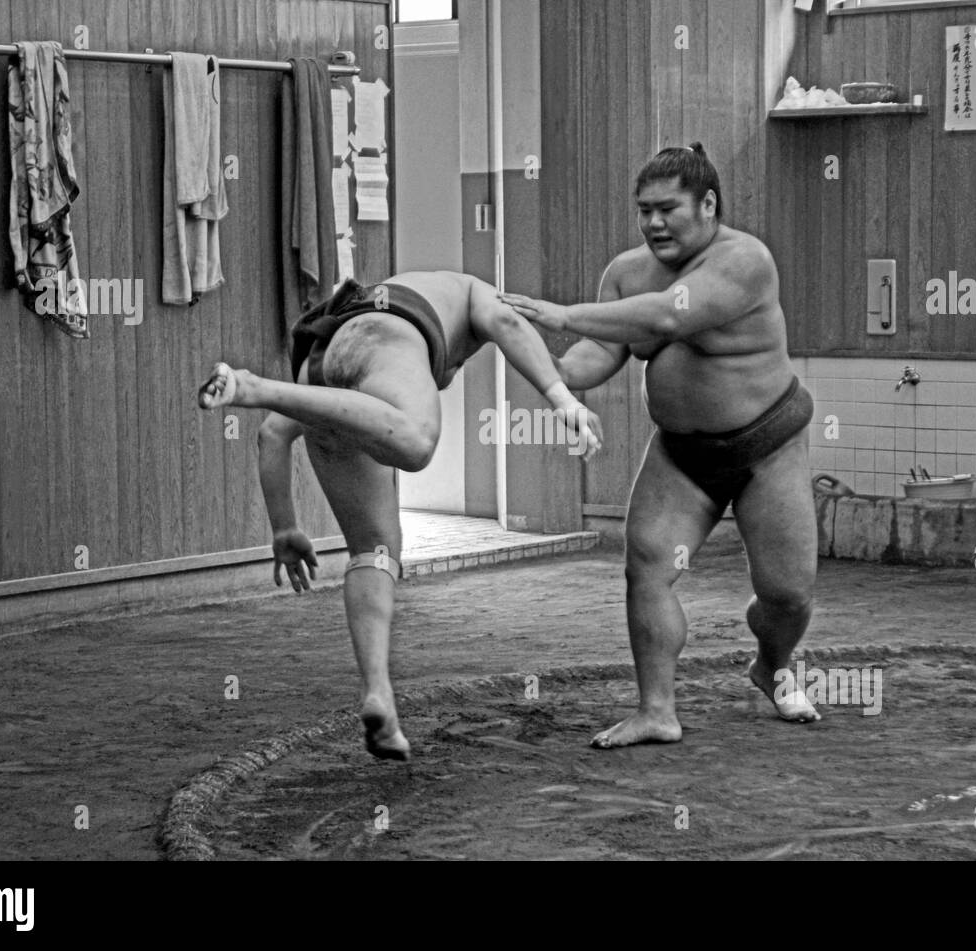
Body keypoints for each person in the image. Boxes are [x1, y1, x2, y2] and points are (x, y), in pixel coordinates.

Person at [198, 271, 603, 760]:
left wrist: (284, 527)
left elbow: (273, 436)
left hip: (322, 365)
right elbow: (508, 325)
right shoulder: (475, 291)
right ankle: (255, 386)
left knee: (376, 551)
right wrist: (561, 399)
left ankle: (378, 697)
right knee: (416, 442)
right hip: (379, 338)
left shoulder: (415, 295)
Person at [499, 143, 821, 749]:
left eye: (667, 209)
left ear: (708, 204)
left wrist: (563, 313)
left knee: (787, 593)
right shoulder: (627, 272)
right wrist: (530, 354)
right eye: (643, 210)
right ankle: (656, 710)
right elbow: (595, 360)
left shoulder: (745, 260)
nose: (652, 223)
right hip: (682, 455)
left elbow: (667, 319)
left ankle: (772, 667)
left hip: (767, 446)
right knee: (646, 567)